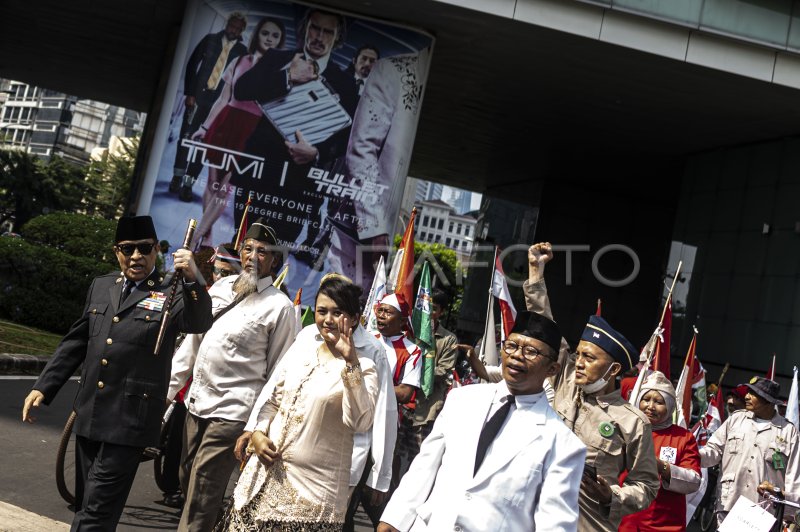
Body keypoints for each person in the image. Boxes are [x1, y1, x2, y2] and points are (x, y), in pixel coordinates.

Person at [21, 215, 213, 530]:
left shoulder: (172, 289)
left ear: (157, 251)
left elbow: (199, 322)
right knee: (88, 506)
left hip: (129, 423)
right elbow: (78, 340)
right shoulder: (102, 286)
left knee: (95, 514)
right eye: (128, 249)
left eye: (144, 248)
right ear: (116, 252)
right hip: (90, 414)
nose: (136, 256)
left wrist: (194, 278)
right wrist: (44, 386)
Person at [378, 310, 587, 532]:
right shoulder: (462, 400)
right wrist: (394, 518)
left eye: (531, 352)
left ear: (552, 369)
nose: (517, 355)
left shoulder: (563, 444)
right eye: (512, 346)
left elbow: (555, 524)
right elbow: (425, 466)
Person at [168, 218, 296, 532]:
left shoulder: (280, 309)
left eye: (263, 252)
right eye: (248, 249)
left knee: (201, 491)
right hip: (196, 404)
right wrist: (167, 393)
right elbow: (193, 345)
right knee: (187, 479)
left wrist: (258, 426)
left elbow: (280, 373)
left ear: (274, 261)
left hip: (233, 412)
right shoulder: (223, 287)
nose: (253, 257)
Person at [224, 274, 379, 530]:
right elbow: (274, 399)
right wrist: (259, 433)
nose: (328, 320)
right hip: (262, 480)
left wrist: (351, 363)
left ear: (353, 318)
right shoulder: (303, 348)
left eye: (337, 312)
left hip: (311, 497)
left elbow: (361, 421)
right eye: (321, 311)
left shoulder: (366, 367)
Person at [523, 241, 659, 531]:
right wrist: (536, 272)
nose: (579, 362)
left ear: (614, 369)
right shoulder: (565, 380)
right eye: (579, 354)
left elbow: (647, 484)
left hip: (586, 522)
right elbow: (543, 323)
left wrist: (613, 494)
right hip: (532, 513)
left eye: (589, 357)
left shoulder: (633, 422)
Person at [233, 8, 358, 258]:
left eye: (327, 31)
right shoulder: (278, 58)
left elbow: (348, 136)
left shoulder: (344, 81)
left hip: (298, 188)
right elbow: (242, 89)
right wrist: (289, 76)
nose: (319, 36)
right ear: (305, 28)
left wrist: (317, 152)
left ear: (337, 37)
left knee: (276, 255)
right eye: (315, 28)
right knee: (241, 247)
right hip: (257, 176)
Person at [189, 17, 286, 247]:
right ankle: (207, 237)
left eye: (275, 36)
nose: (269, 39)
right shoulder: (240, 60)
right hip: (226, 123)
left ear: (280, 41)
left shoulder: (280, 71)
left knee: (225, 188)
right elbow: (224, 98)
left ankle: (197, 236)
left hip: (252, 131)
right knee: (212, 183)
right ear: (257, 36)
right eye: (265, 34)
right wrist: (204, 127)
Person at [700, 376, 800, 527]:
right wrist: (689, 453)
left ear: (768, 401)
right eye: (748, 392)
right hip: (729, 503)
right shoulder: (735, 420)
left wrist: (789, 516)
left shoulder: (788, 432)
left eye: (753, 393)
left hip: (763, 514)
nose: (746, 396)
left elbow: (794, 477)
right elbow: (713, 451)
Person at [170, 12, 248, 201]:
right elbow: (191, 65)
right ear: (227, 23)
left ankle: (188, 184)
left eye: (238, 29)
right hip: (197, 97)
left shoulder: (242, 52)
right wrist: (190, 92)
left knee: (204, 145)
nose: (234, 30)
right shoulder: (210, 40)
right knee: (186, 137)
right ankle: (177, 177)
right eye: (232, 26)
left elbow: (240, 81)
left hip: (218, 105)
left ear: (241, 31)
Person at [619, 371, 701, 532]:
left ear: (670, 406)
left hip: (662, 523)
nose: (650, 406)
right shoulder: (624, 427)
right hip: (620, 519)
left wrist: (661, 466)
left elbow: (694, 481)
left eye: (658, 402)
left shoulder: (683, 437)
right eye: (646, 399)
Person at [374, 293, 423, 485]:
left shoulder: (412, 351)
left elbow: (405, 393)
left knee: (377, 481)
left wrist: (368, 385)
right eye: (380, 310)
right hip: (354, 413)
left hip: (385, 420)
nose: (381, 315)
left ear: (402, 320)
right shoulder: (366, 337)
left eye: (388, 312)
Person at [410, 289, 458, 448]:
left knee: (417, 454)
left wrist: (414, 374)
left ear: (442, 312)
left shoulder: (449, 339)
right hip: (402, 402)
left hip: (426, 406)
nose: (429, 312)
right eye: (426, 307)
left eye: (435, 308)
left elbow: (444, 370)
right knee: (392, 453)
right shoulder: (410, 332)